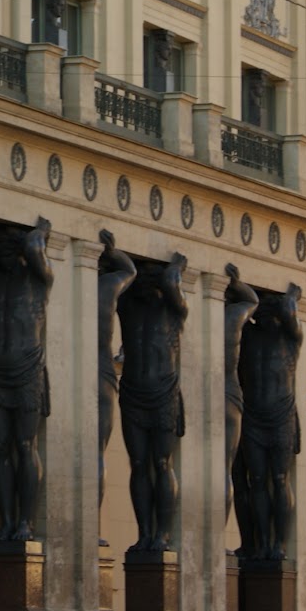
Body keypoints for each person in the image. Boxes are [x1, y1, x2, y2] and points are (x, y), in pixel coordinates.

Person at [0, 217, 54, 542]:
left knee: (24, 444)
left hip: (27, 369)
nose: (7, 250)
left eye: (14, 244)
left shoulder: (38, 278)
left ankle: (26, 522)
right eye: (1, 244)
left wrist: (38, 234)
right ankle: (7, 521)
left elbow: (37, 248)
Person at [116, 251, 188, 552]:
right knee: (138, 463)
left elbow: (173, 283)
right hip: (133, 392)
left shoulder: (174, 310)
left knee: (161, 462)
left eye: (151, 276)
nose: (145, 281)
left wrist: (175, 268)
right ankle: (146, 532)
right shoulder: (127, 305)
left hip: (164, 393)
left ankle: (164, 534)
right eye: (140, 276)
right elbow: (121, 274)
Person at [236, 283, 304, 563]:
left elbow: (290, 311)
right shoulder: (249, 335)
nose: (263, 312)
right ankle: (262, 542)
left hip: (281, 416)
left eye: (269, 307)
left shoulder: (291, 338)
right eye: (259, 308)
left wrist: (289, 296)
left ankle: (279, 545)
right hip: (253, 417)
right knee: (259, 481)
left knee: (279, 479)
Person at [95, 230, 137, 512]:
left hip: (98, 372)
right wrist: (111, 251)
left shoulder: (104, 289)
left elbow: (129, 270)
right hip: (101, 373)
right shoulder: (107, 288)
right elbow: (129, 269)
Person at [222, 264, 259, 532]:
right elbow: (251, 300)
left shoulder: (228, 319)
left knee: (231, 471)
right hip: (228, 395)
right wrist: (235, 282)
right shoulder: (233, 318)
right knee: (228, 471)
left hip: (223, 395)